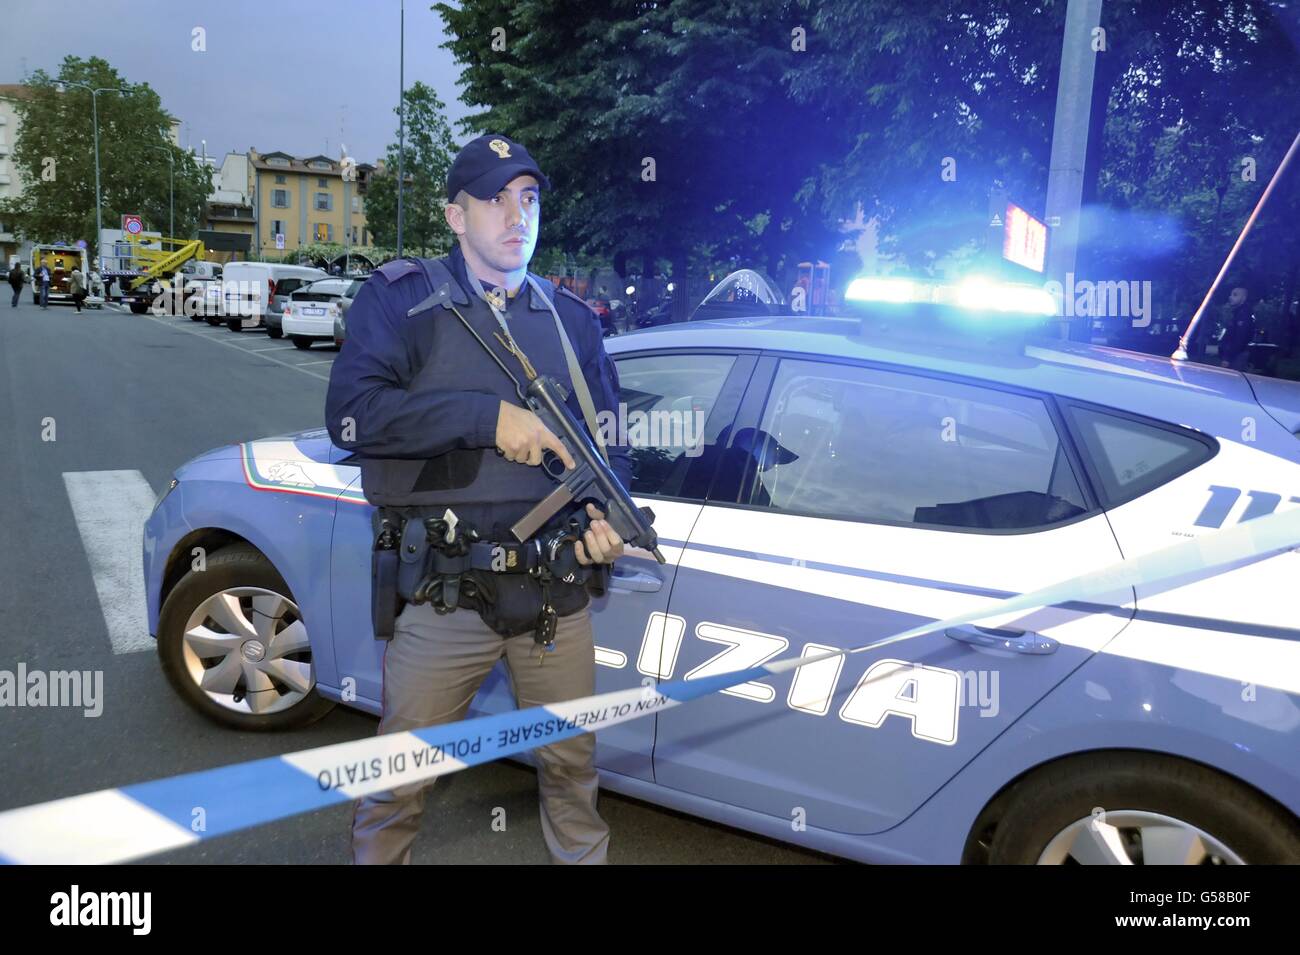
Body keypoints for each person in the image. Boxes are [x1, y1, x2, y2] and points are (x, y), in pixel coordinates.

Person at [326, 133, 632, 866]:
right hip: (446, 595)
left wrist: (606, 519)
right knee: (398, 782)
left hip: (556, 594)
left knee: (571, 774)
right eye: (495, 198)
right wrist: (485, 419)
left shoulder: (572, 320)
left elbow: (611, 441)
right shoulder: (401, 300)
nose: (515, 214)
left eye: (527, 198)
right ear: (454, 216)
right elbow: (350, 415)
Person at [1219, 285, 1255, 372]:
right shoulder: (1238, 313)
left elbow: (1239, 338)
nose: (1230, 297)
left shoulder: (1243, 315)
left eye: (1235, 295)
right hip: (1234, 355)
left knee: (1231, 381)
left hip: (1236, 357)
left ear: (1243, 298)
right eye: (1231, 294)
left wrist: (1227, 357)